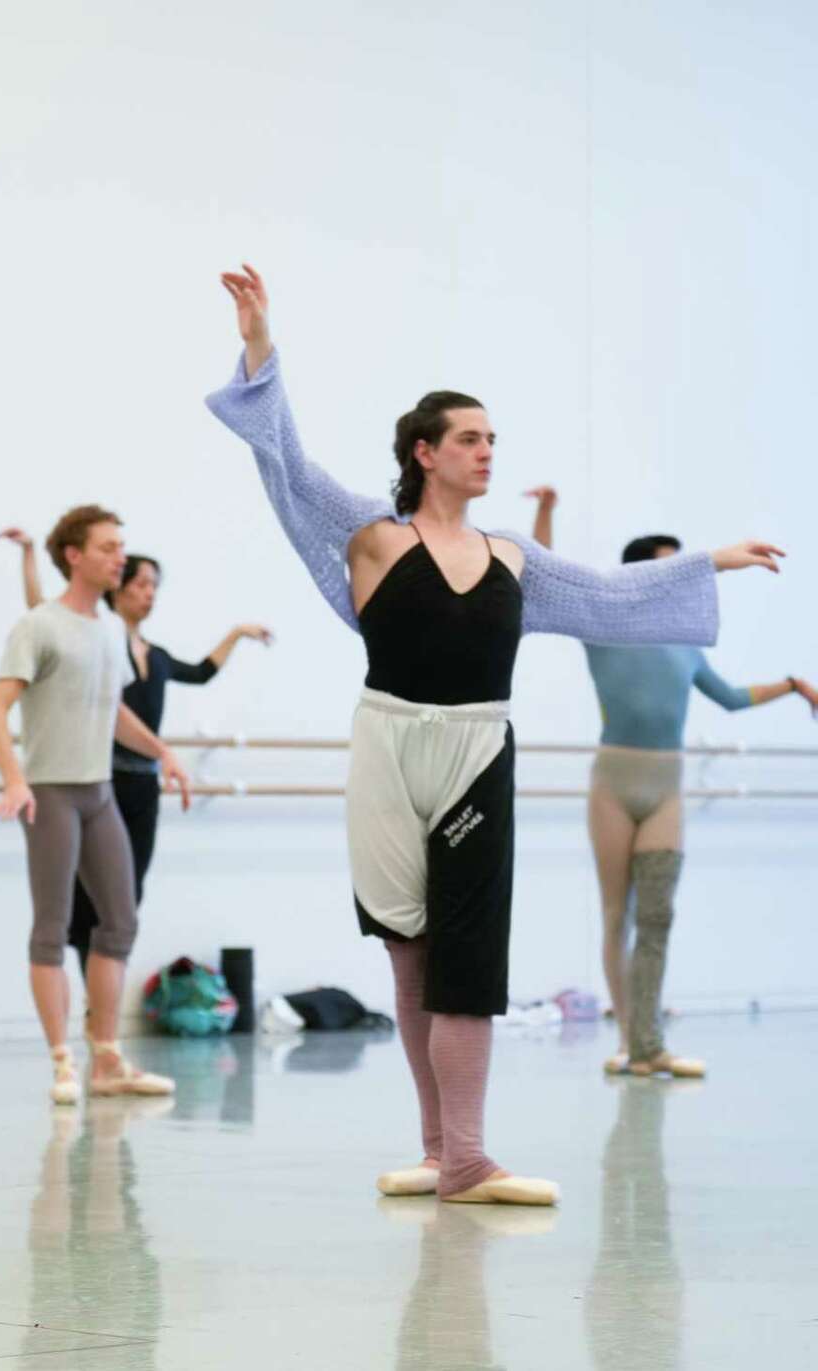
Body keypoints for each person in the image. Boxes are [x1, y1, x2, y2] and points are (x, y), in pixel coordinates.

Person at [208, 264, 782, 1205]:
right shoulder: (370, 536)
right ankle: (440, 1151)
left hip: (477, 750)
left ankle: (471, 1155)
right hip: (388, 747)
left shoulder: (514, 554)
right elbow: (285, 465)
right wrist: (262, 344)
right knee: (408, 951)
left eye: (492, 439)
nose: (487, 452)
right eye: (470, 439)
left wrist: (712, 556)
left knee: (468, 954)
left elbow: (609, 591)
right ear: (424, 453)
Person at [526, 486, 815, 1079]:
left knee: (657, 917)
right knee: (618, 916)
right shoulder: (602, 627)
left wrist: (791, 683)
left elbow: (730, 698)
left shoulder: (686, 644)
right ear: (638, 578)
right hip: (613, 783)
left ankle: (648, 1046)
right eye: (668, 568)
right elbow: (545, 577)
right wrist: (550, 509)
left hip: (665, 787)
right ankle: (631, 1040)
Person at [0, 505, 193, 1107]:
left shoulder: (108, 631)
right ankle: (61, 1064)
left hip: (99, 793)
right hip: (50, 793)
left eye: (121, 546)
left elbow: (114, 711)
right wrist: (13, 779)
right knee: (51, 929)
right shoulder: (39, 626)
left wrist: (162, 754)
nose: (120, 557)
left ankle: (106, 1057)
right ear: (74, 556)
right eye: (108, 547)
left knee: (120, 921)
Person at [0, 527, 270, 968]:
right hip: (100, 778)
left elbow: (201, 672)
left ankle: (100, 1002)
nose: (149, 595)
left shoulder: (153, 655)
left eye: (154, 587)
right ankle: (88, 996)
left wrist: (237, 633)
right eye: (141, 584)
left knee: (127, 898)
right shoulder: (97, 636)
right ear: (116, 588)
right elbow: (41, 615)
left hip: (142, 784)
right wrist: (29, 555)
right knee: (80, 903)